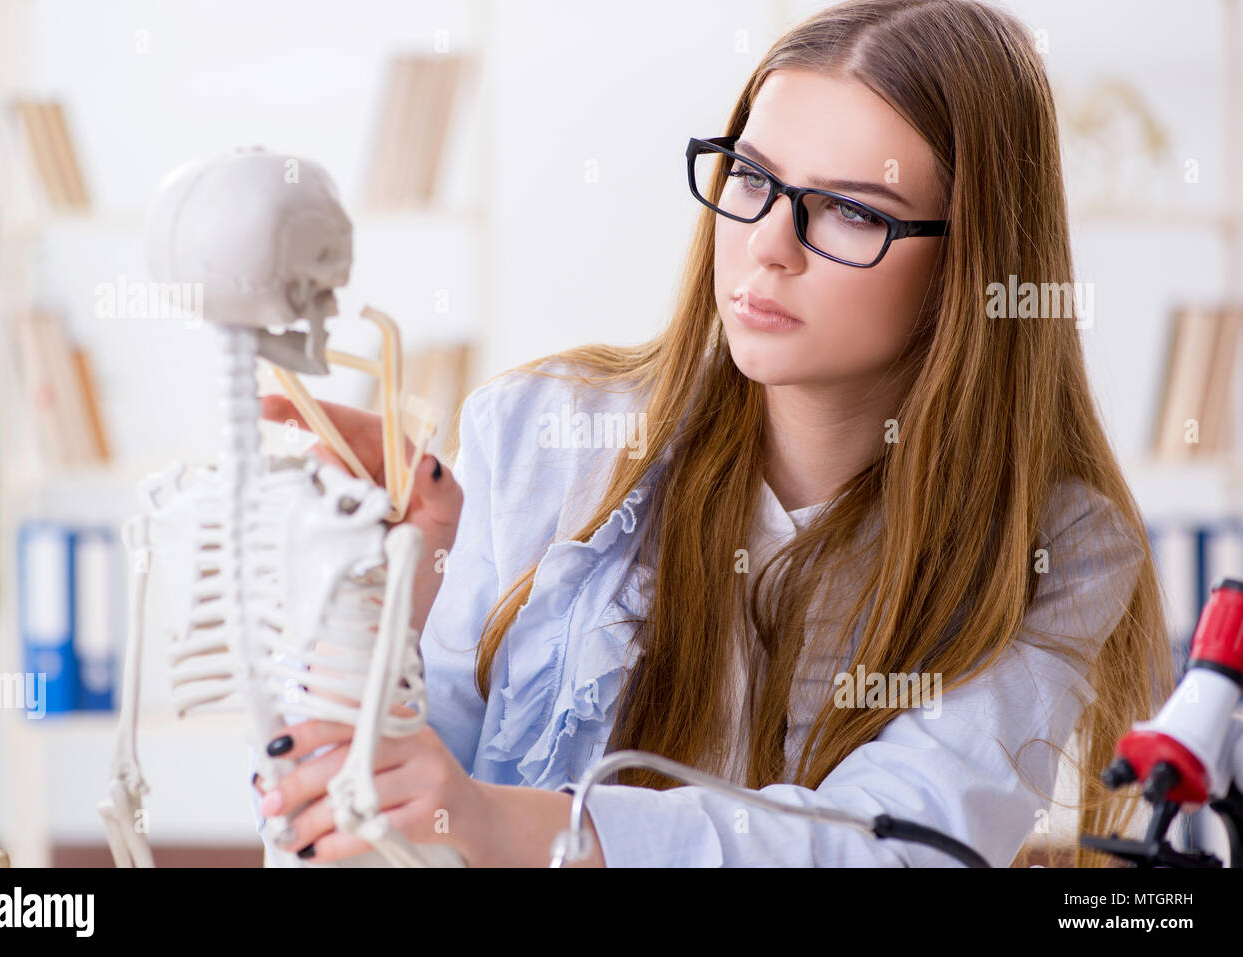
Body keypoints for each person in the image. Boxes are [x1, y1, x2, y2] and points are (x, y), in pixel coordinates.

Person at [252, 0, 1174, 867]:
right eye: (752, 176)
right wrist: (389, 600)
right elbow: (391, 820)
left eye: (854, 209)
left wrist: (514, 824)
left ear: (973, 263)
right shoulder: (543, 432)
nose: (770, 244)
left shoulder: (1056, 546)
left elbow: (890, 847)